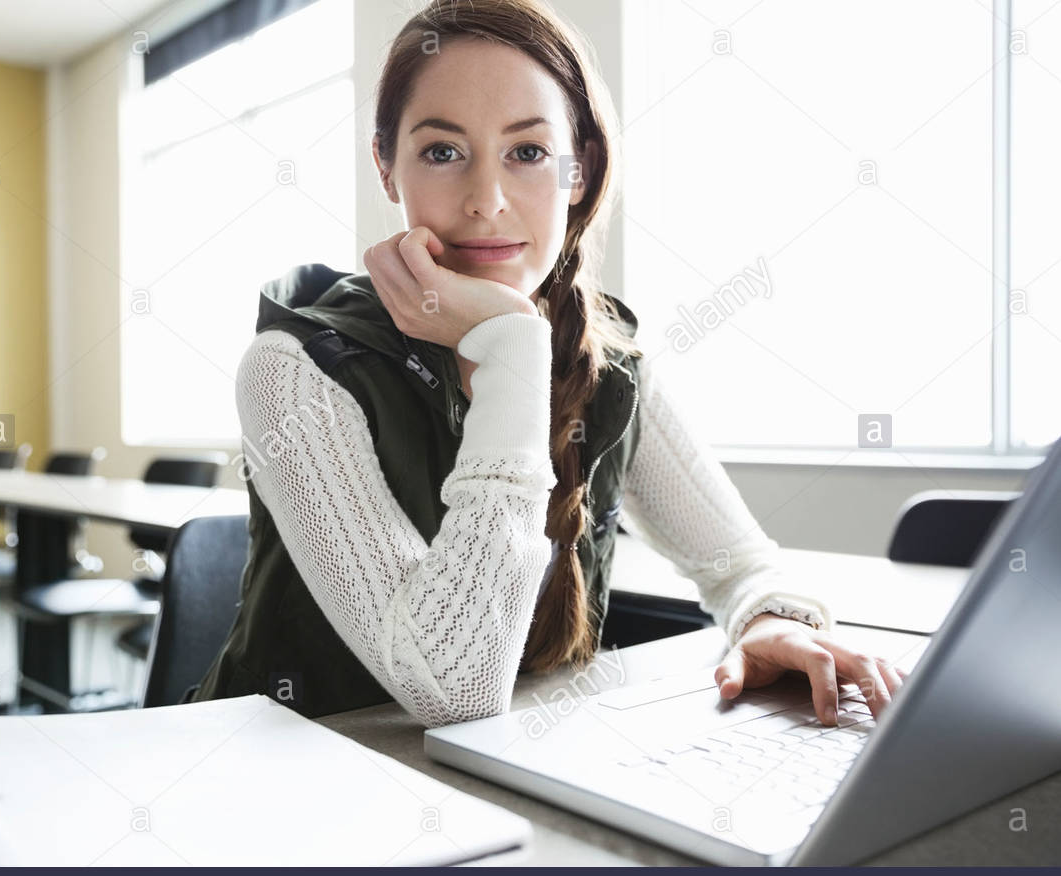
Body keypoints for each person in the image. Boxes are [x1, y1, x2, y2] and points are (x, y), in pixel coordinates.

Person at [192, 0, 907, 727]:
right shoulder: (293, 368)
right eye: (443, 151)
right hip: (282, 796)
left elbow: (740, 565)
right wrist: (513, 345)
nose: (487, 202)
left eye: (528, 152)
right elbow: (453, 688)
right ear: (386, 166)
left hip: (499, 781)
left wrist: (769, 620)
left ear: (580, 168)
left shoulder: (609, 358)